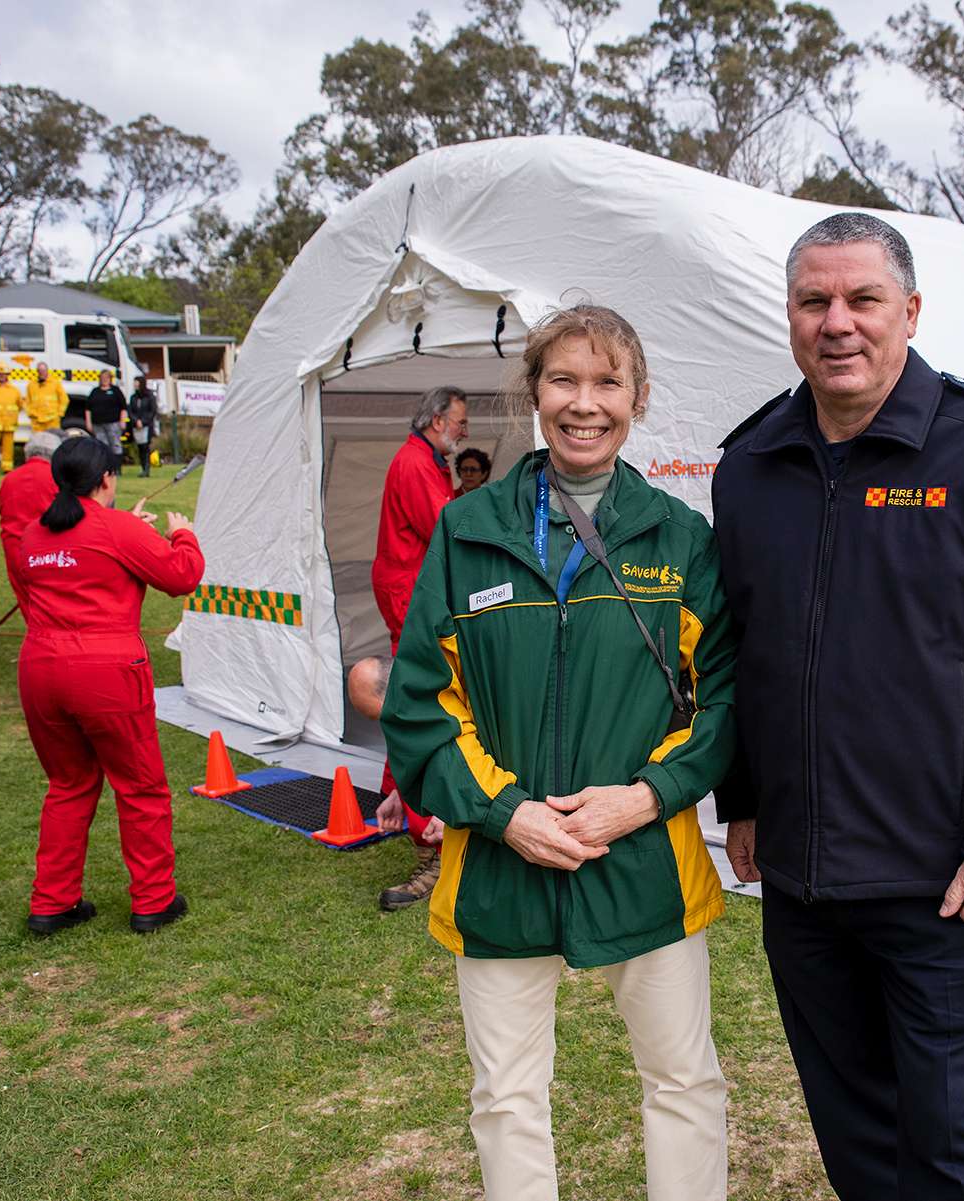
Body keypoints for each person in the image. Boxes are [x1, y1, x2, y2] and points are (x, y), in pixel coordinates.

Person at [711, 214, 964, 1201]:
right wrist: (745, 799)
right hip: (802, 880)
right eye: (815, 301)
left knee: (957, 1136)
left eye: (863, 299)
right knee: (854, 1122)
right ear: (792, 316)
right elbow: (739, 653)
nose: (837, 323)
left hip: (942, 877)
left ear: (911, 311)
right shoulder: (750, 467)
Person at [384, 305, 735, 1201]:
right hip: (501, 864)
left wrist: (645, 797)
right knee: (505, 1096)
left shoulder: (681, 538)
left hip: (646, 857)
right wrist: (505, 812)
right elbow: (422, 705)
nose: (586, 404)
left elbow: (725, 701)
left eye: (608, 382)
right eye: (565, 380)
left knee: (684, 1082)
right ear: (534, 392)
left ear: (639, 398)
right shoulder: (467, 533)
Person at [15, 436, 204, 936]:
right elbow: (181, 576)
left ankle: (52, 902)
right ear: (105, 479)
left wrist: (128, 532)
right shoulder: (115, 527)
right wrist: (182, 534)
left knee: (68, 784)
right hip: (103, 669)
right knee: (140, 786)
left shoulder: (33, 535)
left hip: (41, 666)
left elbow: (73, 562)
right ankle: (153, 900)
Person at [370, 384, 469, 911]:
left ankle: (413, 808)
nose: (463, 430)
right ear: (436, 421)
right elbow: (445, 528)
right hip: (410, 592)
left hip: (413, 587)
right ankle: (425, 829)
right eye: (459, 421)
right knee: (421, 700)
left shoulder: (426, 461)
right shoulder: (414, 465)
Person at [0, 429, 63, 613]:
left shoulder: (9, 479)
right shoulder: (56, 477)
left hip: (15, 549)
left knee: (28, 602)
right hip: (49, 549)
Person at [84, 370, 128, 470]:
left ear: (110, 379)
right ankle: (105, 467)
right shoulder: (95, 391)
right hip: (98, 424)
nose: (104, 380)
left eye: (106, 377)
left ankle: (117, 468)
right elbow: (88, 409)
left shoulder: (115, 390)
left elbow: (123, 407)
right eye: (102, 377)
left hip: (113, 423)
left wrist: (123, 421)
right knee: (102, 446)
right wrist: (88, 422)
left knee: (115, 445)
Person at [128, 376, 158, 476]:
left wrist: (143, 421)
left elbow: (152, 410)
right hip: (136, 426)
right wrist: (136, 421)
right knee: (140, 447)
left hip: (146, 426)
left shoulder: (149, 396)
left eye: (137, 382)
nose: (135, 385)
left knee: (146, 447)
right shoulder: (133, 397)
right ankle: (143, 468)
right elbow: (130, 411)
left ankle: (147, 469)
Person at [25, 362, 68, 433]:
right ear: (37, 371)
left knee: (53, 441)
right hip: (37, 421)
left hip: (52, 421)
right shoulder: (31, 385)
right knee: (38, 442)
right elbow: (27, 401)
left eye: (43, 371)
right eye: (40, 371)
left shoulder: (55, 383)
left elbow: (64, 399)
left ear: (47, 371)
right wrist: (30, 413)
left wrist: (60, 413)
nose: (42, 373)